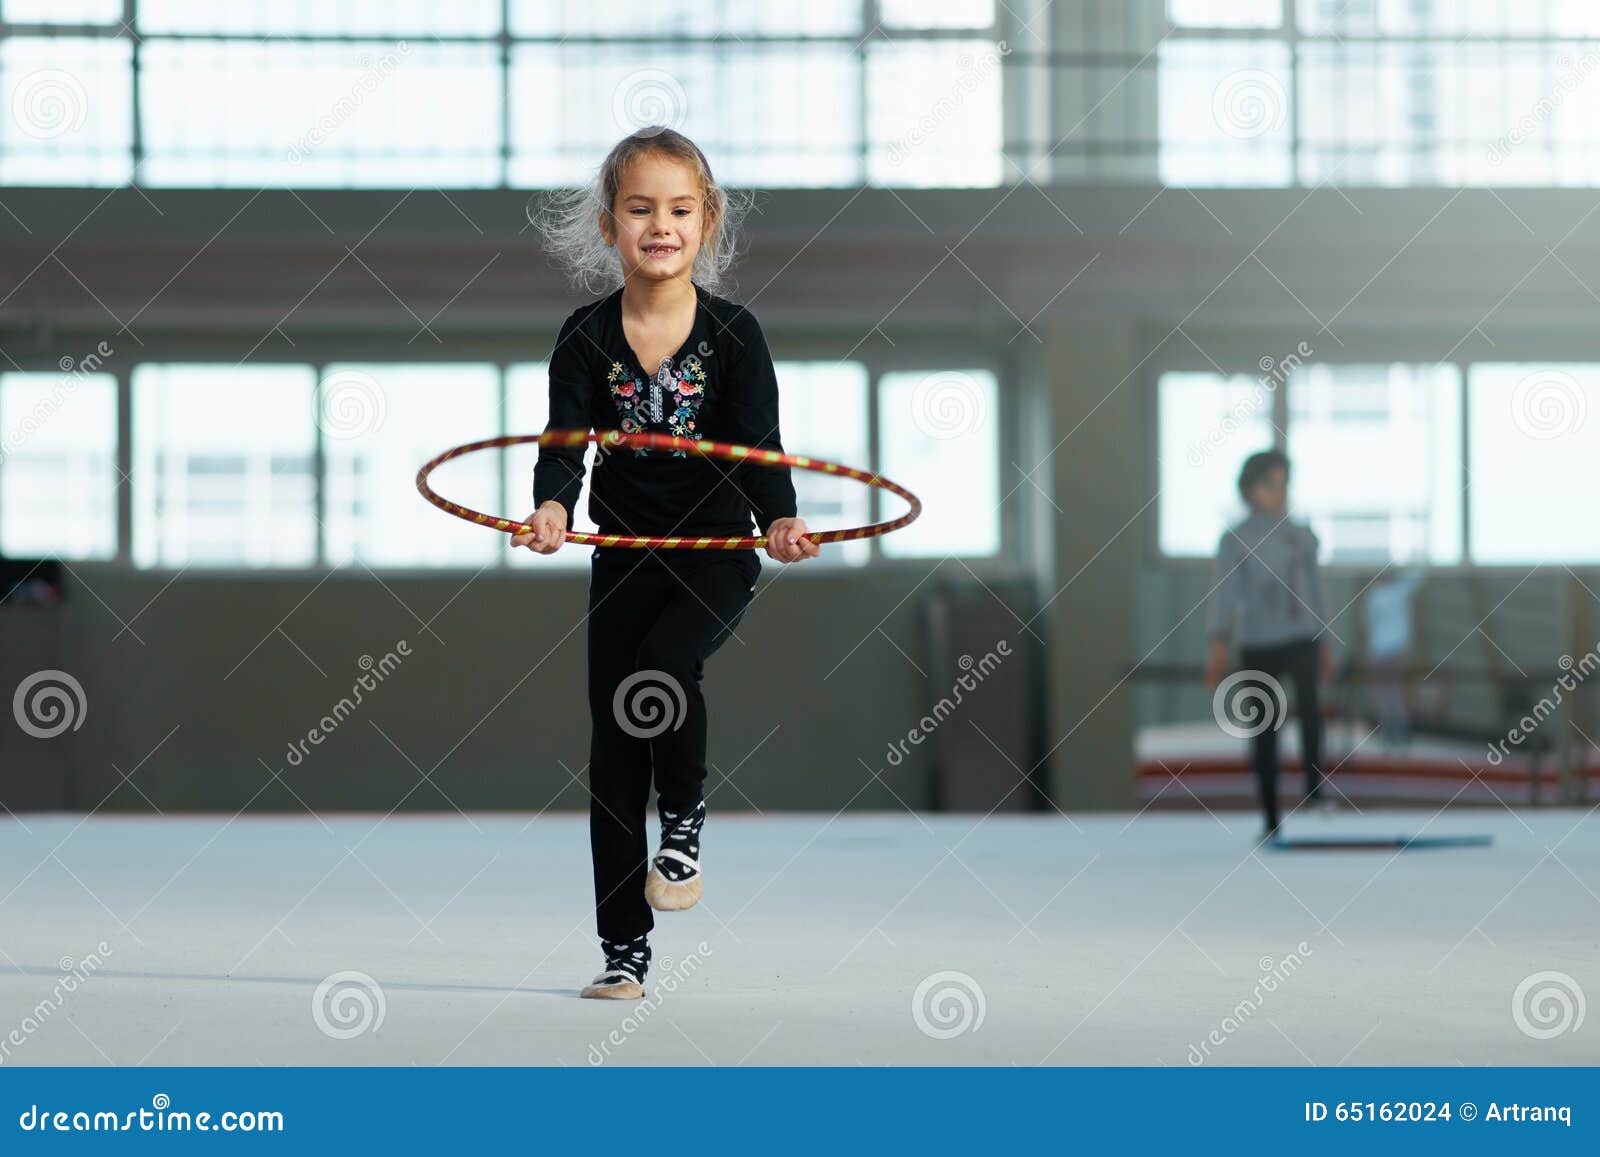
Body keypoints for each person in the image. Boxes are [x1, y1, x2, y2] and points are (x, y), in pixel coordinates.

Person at [511, 127, 820, 1001]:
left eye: (679, 209)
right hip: (622, 557)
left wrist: (782, 517)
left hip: (716, 552)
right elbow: (563, 443)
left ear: (708, 221)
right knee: (614, 749)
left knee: (662, 665)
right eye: (640, 208)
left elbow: (759, 442)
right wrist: (552, 508)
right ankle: (624, 951)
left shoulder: (733, 332)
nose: (661, 225)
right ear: (610, 225)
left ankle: (682, 816)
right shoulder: (582, 336)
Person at [1203, 450, 1334, 842]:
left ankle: (1314, 787)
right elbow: (1224, 592)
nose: (1279, 493)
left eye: (1283, 484)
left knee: (1311, 710)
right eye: (1270, 484)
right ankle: (1270, 815)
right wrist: (1218, 640)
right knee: (1265, 726)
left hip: (1301, 637)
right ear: (1250, 490)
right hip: (1260, 641)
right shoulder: (1236, 540)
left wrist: (1325, 638)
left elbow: (1314, 591)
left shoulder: (1301, 536)